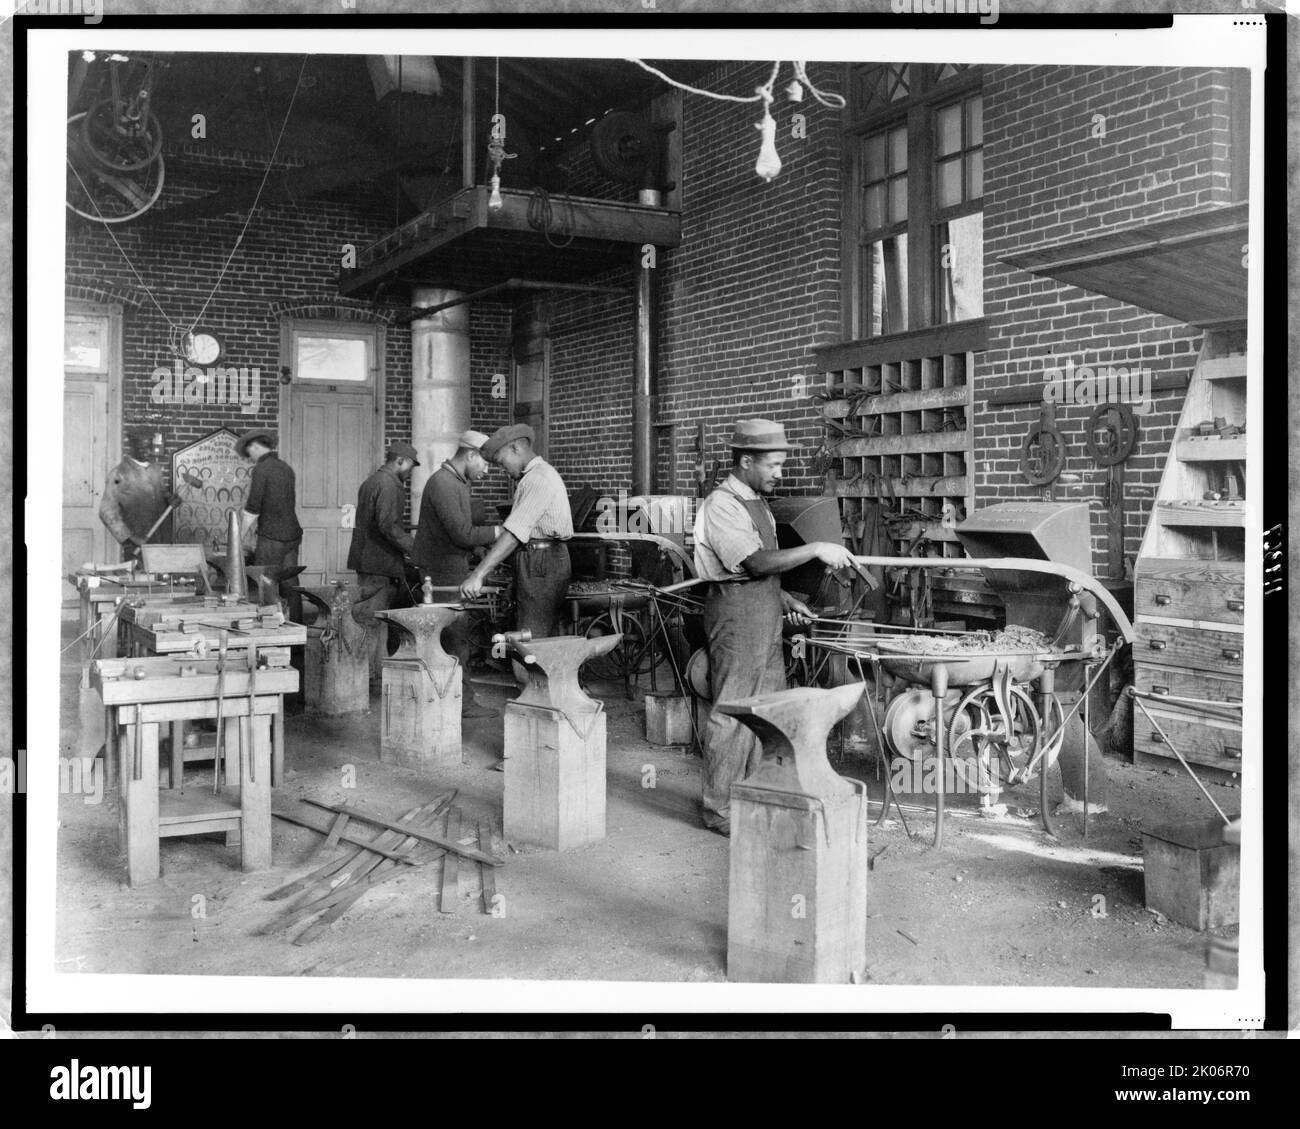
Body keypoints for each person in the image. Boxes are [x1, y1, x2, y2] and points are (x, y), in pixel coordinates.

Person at [692, 418, 856, 836]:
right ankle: (720, 809)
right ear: (746, 461)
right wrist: (818, 549)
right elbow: (754, 563)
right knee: (732, 711)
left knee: (767, 709)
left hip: (763, 610)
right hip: (735, 614)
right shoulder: (722, 504)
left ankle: (753, 794)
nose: (779, 473)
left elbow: (763, 573)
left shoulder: (756, 501)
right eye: (774, 465)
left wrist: (785, 600)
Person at [414, 429, 502, 718]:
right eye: (485, 464)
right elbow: (462, 534)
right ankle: (459, 703)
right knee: (454, 637)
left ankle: (453, 698)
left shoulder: (455, 482)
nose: (486, 471)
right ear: (472, 455)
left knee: (455, 636)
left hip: (450, 565)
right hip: (442, 570)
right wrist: (501, 532)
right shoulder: (444, 484)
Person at [459, 423, 573, 639]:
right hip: (538, 557)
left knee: (531, 637)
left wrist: (477, 575)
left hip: (542, 561)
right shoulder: (531, 477)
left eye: (502, 463)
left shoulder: (537, 478)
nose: (504, 471)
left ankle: (533, 672)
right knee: (531, 633)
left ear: (514, 448)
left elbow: (513, 534)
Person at [347, 442, 420, 689]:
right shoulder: (389, 485)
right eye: (410, 465)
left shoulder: (372, 481)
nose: (410, 472)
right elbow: (389, 526)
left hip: (370, 560)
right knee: (371, 619)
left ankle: (375, 673)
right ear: (400, 461)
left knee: (377, 619)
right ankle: (363, 677)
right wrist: (415, 550)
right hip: (379, 561)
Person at [236, 428, 303, 623]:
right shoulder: (286, 468)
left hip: (272, 537)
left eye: (250, 452)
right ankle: (296, 630)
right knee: (290, 583)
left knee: (265, 582)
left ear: (255, 446)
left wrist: (238, 538)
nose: (250, 457)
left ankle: (269, 628)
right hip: (292, 535)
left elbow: (253, 507)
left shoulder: (262, 469)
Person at [99, 428, 177, 560]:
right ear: (133, 447)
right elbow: (106, 511)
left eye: (149, 447)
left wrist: (170, 499)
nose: (148, 451)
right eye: (143, 447)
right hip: (137, 544)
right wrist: (131, 538)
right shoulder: (119, 474)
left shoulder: (155, 469)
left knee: (162, 578)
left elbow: (162, 493)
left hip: (161, 541)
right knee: (140, 579)